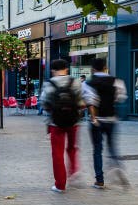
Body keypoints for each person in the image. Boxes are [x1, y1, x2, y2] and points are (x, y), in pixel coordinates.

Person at [39, 59, 84, 193]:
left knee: (57, 153)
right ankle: (74, 170)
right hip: (73, 121)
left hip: (56, 123)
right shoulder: (75, 82)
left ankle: (60, 184)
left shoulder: (49, 84)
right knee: (72, 148)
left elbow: (43, 102)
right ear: (67, 69)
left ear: (53, 70)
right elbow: (81, 101)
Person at [84, 57, 128, 189]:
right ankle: (116, 166)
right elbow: (121, 98)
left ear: (92, 69)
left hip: (96, 120)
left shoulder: (88, 83)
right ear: (105, 67)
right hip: (111, 118)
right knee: (112, 147)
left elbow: (89, 100)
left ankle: (100, 180)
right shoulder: (117, 82)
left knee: (97, 149)